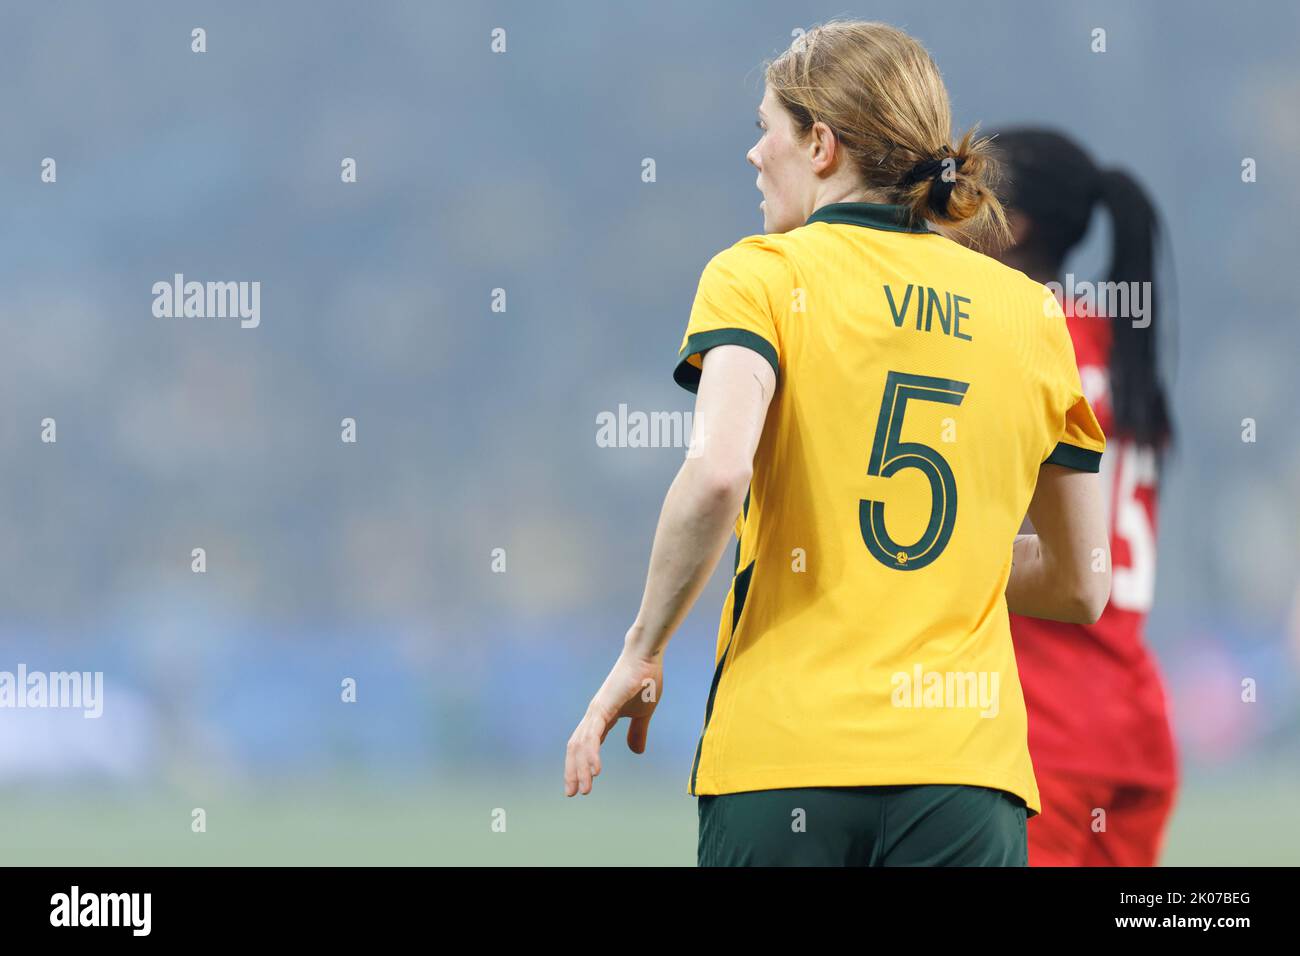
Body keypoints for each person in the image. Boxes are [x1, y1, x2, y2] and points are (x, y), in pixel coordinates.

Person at [563, 20, 1111, 867]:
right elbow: (1082, 586)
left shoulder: (759, 276)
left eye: (765, 131)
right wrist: (945, 561)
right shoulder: (1030, 315)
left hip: (784, 764)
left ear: (822, 144)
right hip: (963, 778)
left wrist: (643, 649)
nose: (754, 156)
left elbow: (714, 474)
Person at [990, 128, 1178, 866]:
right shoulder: (1109, 340)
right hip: (1133, 723)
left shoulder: (1009, 343)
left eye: (969, 189)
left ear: (1016, 224)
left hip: (1045, 731)